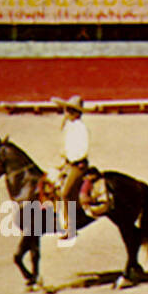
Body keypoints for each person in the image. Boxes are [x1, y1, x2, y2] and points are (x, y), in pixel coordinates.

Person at [51, 94, 90, 240]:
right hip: (68, 163)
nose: (65, 113)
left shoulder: (81, 128)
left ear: (75, 113)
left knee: (66, 193)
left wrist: (70, 160)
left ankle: (70, 227)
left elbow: (82, 150)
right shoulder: (69, 126)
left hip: (77, 165)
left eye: (68, 111)